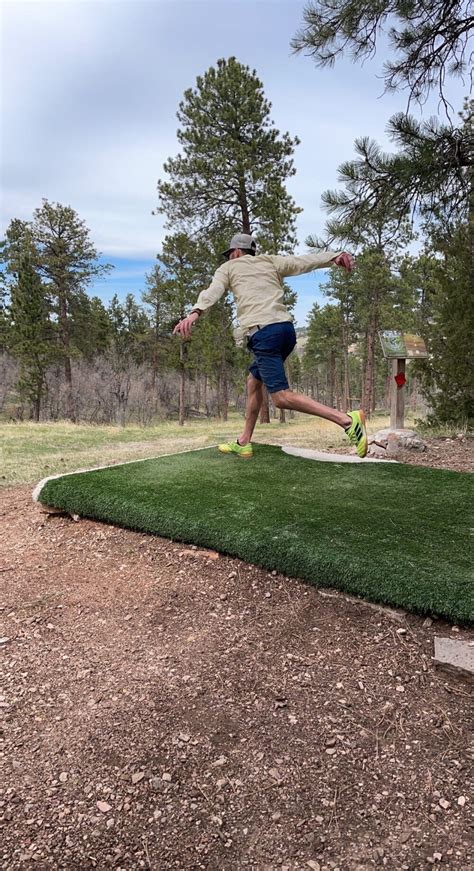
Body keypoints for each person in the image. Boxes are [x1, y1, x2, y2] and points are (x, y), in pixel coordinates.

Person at [173, 233, 367, 459]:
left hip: (263, 333)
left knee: (281, 398)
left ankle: (346, 420)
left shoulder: (228, 268)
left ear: (235, 252)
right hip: (285, 331)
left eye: (229, 254)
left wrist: (195, 313)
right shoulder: (269, 261)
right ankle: (244, 442)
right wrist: (334, 257)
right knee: (253, 383)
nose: (229, 257)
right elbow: (302, 261)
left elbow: (213, 291)